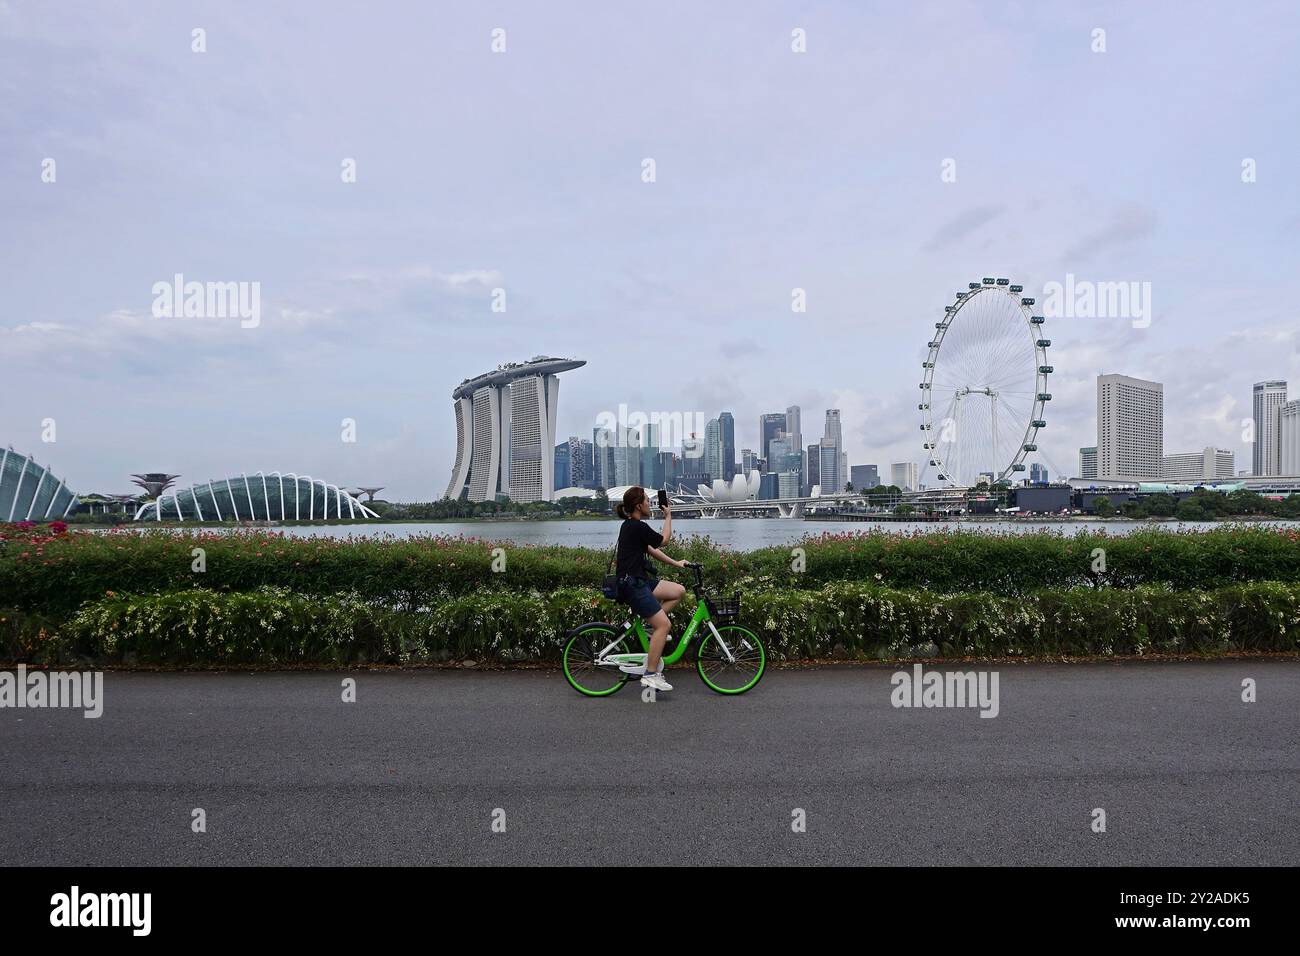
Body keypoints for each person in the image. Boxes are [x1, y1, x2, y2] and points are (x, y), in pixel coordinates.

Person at [613, 486, 687, 692]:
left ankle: (651, 627)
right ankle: (651, 675)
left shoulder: (631, 526)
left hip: (640, 582)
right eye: (646, 500)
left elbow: (652, 550)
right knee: (664, 626)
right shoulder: (637, 526)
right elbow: (663, 541)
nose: (649, 503)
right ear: (638, 506)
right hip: (633, 585)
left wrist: (676, 563)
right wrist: (668, 515)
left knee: (678, 591)